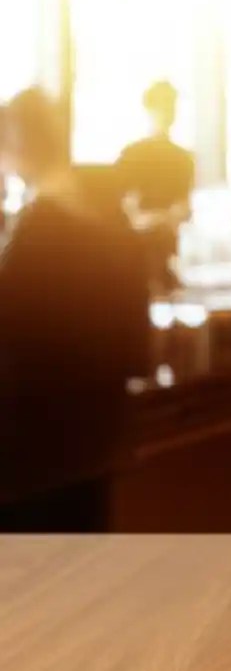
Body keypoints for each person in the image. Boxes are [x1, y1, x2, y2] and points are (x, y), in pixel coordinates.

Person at [0, 87, 148, 530]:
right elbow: (136, 346)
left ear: (16, 150)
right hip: (96, 439)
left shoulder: (39, 234)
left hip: (37, 453)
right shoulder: (108, 215)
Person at [115, 81, 195, 290]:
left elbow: (184, 209)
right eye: (164, 107)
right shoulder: (131, 155)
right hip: (135, 255)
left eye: (172, 107)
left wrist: (160, 219)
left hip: (167, 253)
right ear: (149, 109)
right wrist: (156, 219)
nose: (169, 113)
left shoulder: (183, 159)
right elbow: (126, 210)